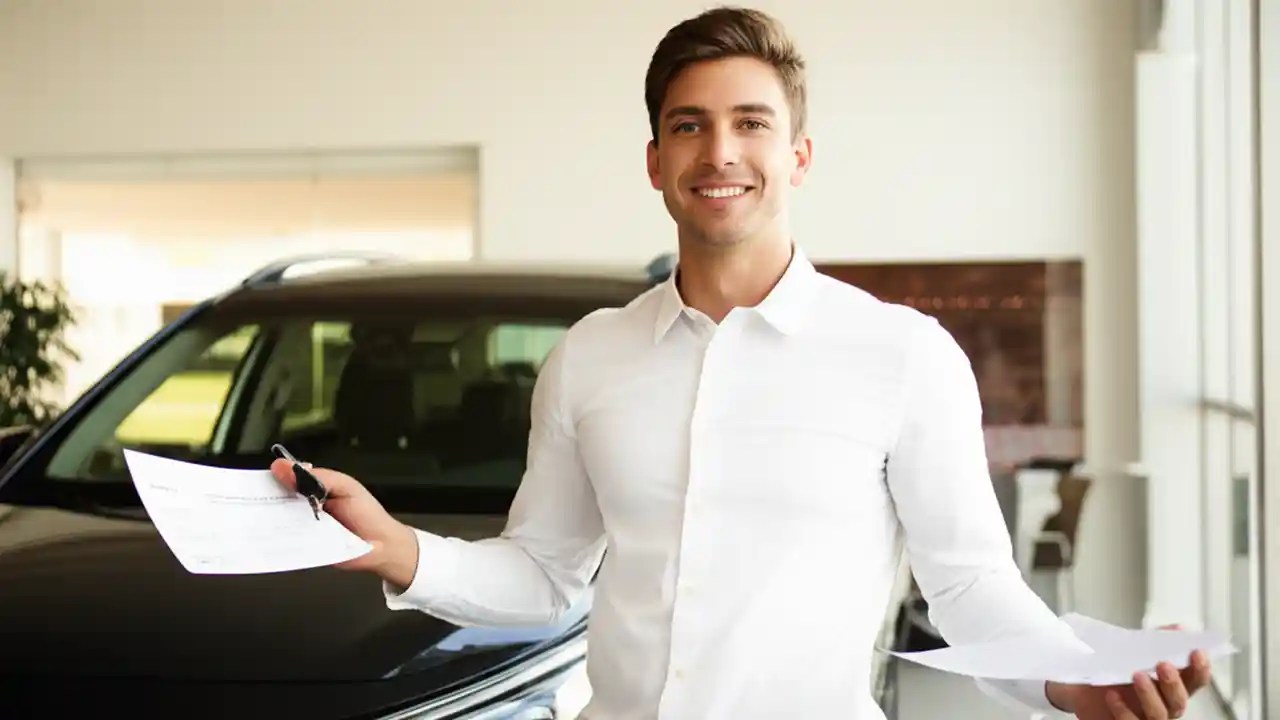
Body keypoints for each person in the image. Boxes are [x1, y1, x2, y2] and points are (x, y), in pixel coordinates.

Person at [271, 7, 1213, 719]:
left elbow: (969, 589)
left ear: (798, 155)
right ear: (654, 159)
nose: (719, 150)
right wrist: (394, 546)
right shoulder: (590, 357)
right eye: (689, 125)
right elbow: (546, 574)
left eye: (750, 123)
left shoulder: (903, 355)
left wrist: (1079, 682)